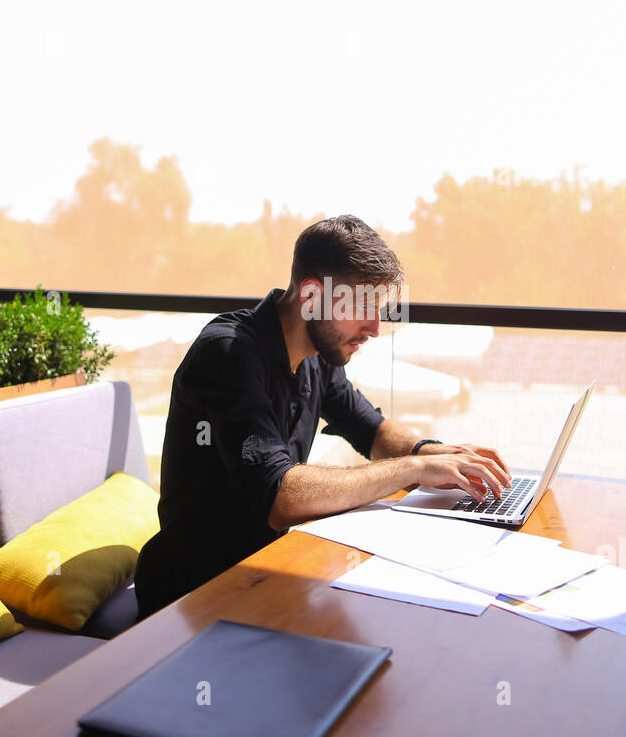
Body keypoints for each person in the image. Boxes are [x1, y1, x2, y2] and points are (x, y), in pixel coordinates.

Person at [133, 215, 512, 620]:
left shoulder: (318, 357)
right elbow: (279, 495)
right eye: (363, 308)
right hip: (196, 594)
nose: (375, 328)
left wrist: (438, 454)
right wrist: (414, 467)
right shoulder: (227, 353)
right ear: (311, 297)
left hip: (275, 570)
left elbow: (372, 429)